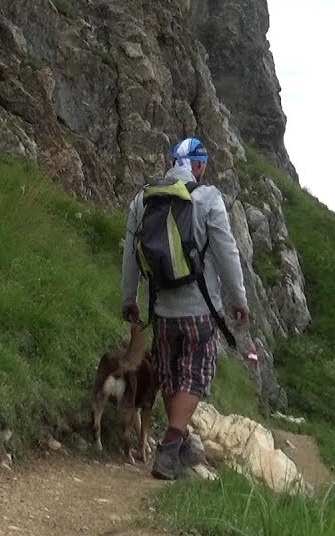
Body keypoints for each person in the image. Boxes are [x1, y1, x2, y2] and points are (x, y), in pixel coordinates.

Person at [120, 136, 250, 480]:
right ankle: (169, 447)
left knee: (170, 376)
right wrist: (238, 300)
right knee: (195, 375)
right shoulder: (207, 198)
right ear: (199, 165)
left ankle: (177, 449)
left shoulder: (142, 200)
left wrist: (129, 299)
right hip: (200, 309)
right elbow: (227, 252)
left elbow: (130, 256)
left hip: (161, 310)